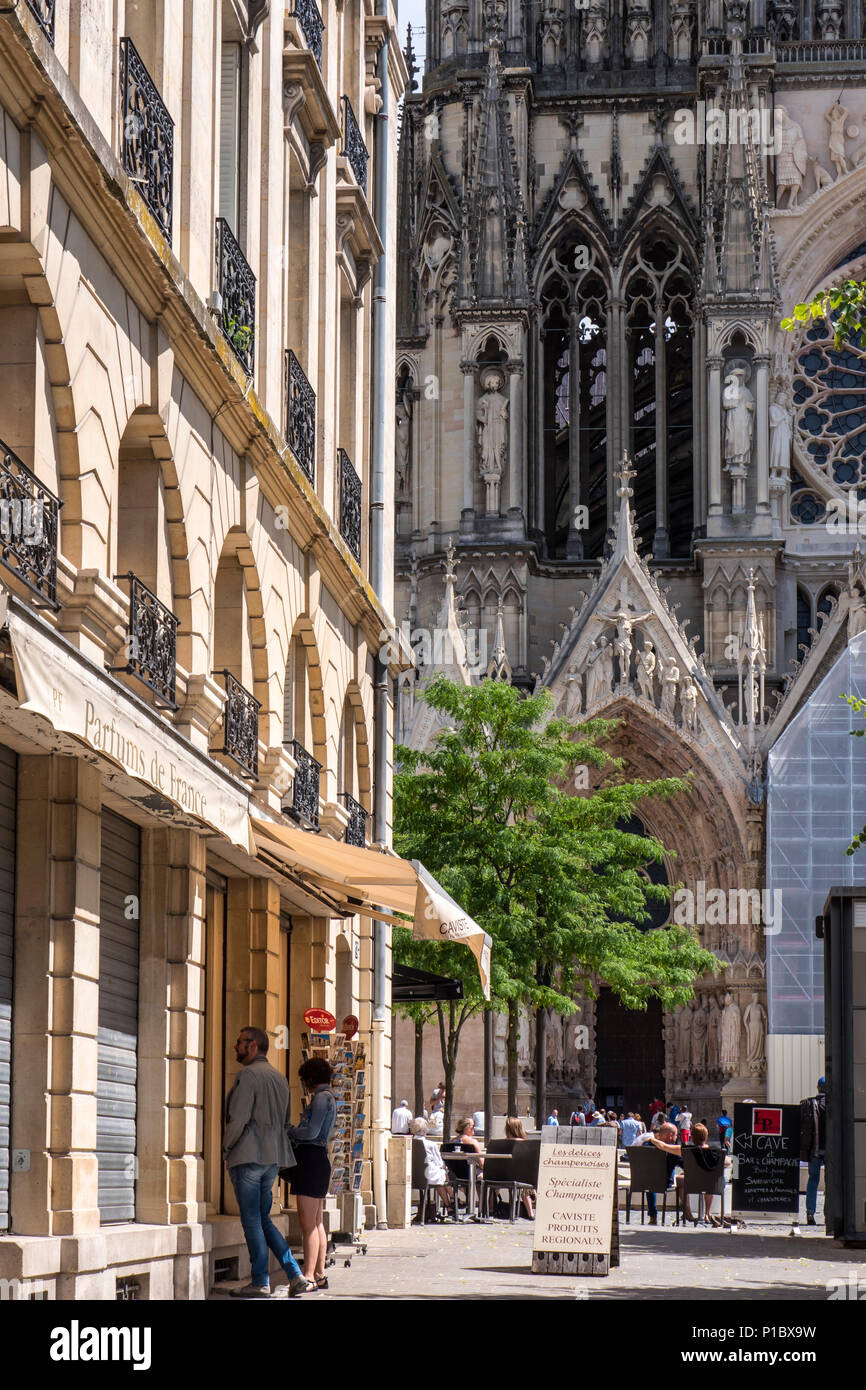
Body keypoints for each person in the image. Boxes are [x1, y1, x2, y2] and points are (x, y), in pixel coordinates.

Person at [222, 1026, 308, 1298]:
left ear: (252, 1046)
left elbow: (238, 1118)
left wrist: (226, 1147)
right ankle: (294, 1274)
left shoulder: (247, 1075)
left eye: (239, 1042)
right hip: (272, 1158)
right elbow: (285, 1123)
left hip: (248, 1155)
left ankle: (260, 1280)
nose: (235, 1046)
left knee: (251, 1219)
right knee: (263, 1219)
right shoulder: (280, 1078)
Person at [288, 1056, 337, 1290]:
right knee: (316, 1221)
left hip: (310, 1159)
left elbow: (312, 1132)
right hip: (319, 1159)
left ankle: (307, 1275)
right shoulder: (329, 1098)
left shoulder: (320, 1099)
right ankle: (319, 1272)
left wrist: (291, 1131)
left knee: (307, 1222)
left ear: (310, 1078)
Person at [652, 1122, 723, 1225]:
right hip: (711, 1185)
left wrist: (650, 1138)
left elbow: (663, 1146)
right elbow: (728, 1161)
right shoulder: (716, 1151)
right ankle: (707, 1213)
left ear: (692, 1137)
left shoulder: (686, 1150)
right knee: (710, 1179)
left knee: (680, 1180)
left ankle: (688, 1212)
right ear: (706, 1136)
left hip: (692, 1184)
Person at [633, 1121, 682, 1226]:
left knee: (651, 1182)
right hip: (665, 1183)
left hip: (644, 1182)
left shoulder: (646, 1145)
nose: (676, 1137)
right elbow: (685, 1165)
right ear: (670, 1135)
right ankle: (687, 1214)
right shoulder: (673, 1150)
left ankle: (653, 1217)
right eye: (676, 1135)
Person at [410, 1116, 455, 1219]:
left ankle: (449, 1206)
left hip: (414, 1176)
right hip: (429, 1175)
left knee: (440, 1177)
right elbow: (439, 1162)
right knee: (443, 1173)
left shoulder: (410, 1143)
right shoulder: (431, 1144)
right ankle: (452, 1200)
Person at [800, 1076, 826, 1227]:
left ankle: (810, 1212)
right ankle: (829, 1214)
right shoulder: (834, 1104)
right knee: (831, 1183)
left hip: (814, 1149)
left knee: (813, 1180)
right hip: (831, 1151)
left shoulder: (810, 1103)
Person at [504, 1116, 535, 1219]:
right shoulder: (525, 1143)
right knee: (526, 1182)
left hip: (502, 1175)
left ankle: (490, 1209)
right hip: (521, 1176)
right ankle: (531, 1213)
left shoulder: (502, 1143)